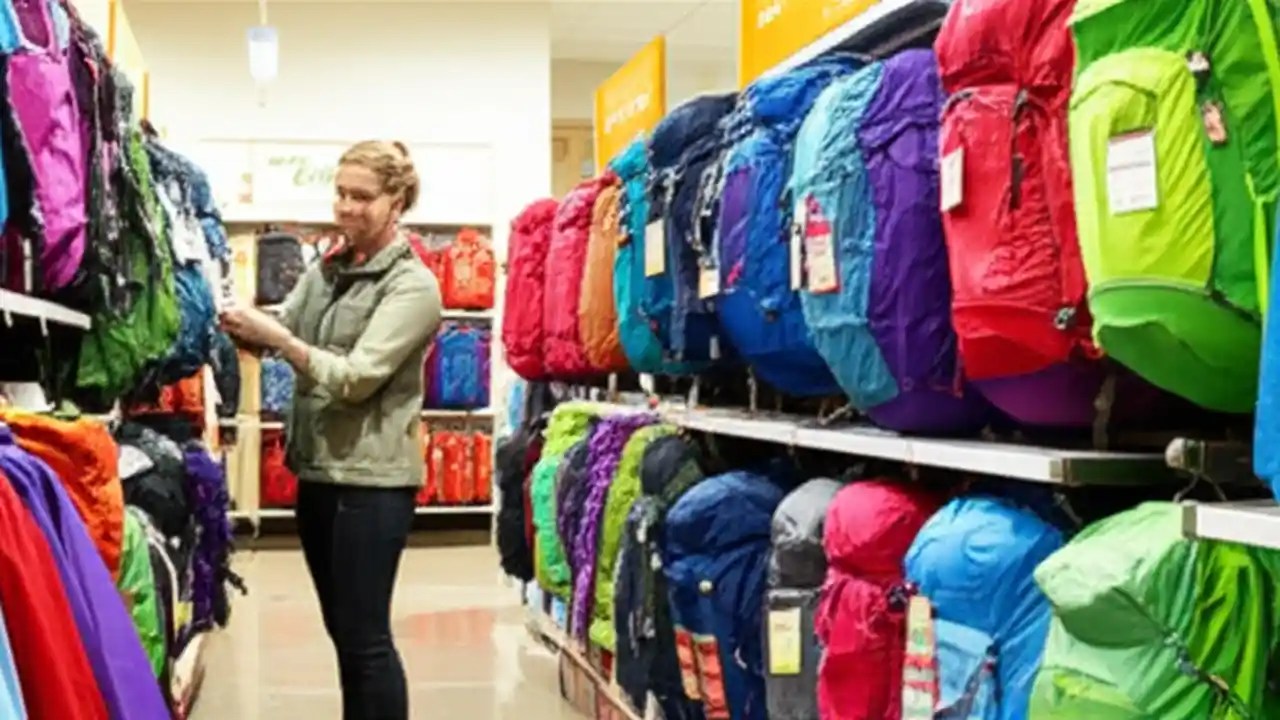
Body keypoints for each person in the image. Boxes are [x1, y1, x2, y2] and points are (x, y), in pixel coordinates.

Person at [220, 140, 441, 719]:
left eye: (362, 196)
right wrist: (242, 323)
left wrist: (281, 342)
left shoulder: (413, 286)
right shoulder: (329, 269)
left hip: (372, 482)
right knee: (343, 633)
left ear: (397, 201)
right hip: (319, 471)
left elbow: (356, 379)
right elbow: (285, 324)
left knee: (366, 640)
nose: (345, 207)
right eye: (341, 192)